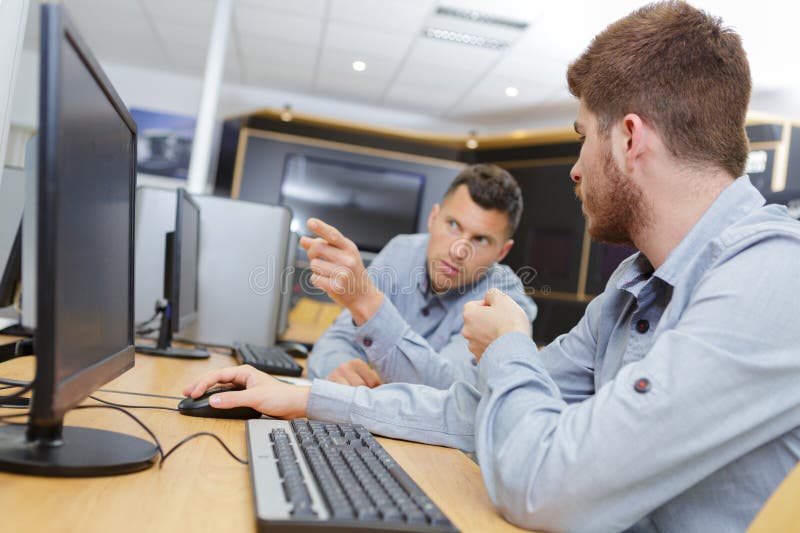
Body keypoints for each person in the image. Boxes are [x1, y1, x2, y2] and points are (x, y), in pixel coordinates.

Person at [185, 1, 800, 530]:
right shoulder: (633, 283)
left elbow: (552, 487)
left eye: (583, 135)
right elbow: (466, 408)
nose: (576, 169)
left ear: (628, 138)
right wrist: (301, 397)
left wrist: (509, 345)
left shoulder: (772, 280)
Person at [304, 163, 537, 387]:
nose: (458, 251)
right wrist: (340, 369)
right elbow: (335, 341)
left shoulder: (506, 302)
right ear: (433, 218)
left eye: (481, 239)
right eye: (453, 225)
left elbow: (452, 392)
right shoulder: (401, 251)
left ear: (502, 252)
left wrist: (368, 304)